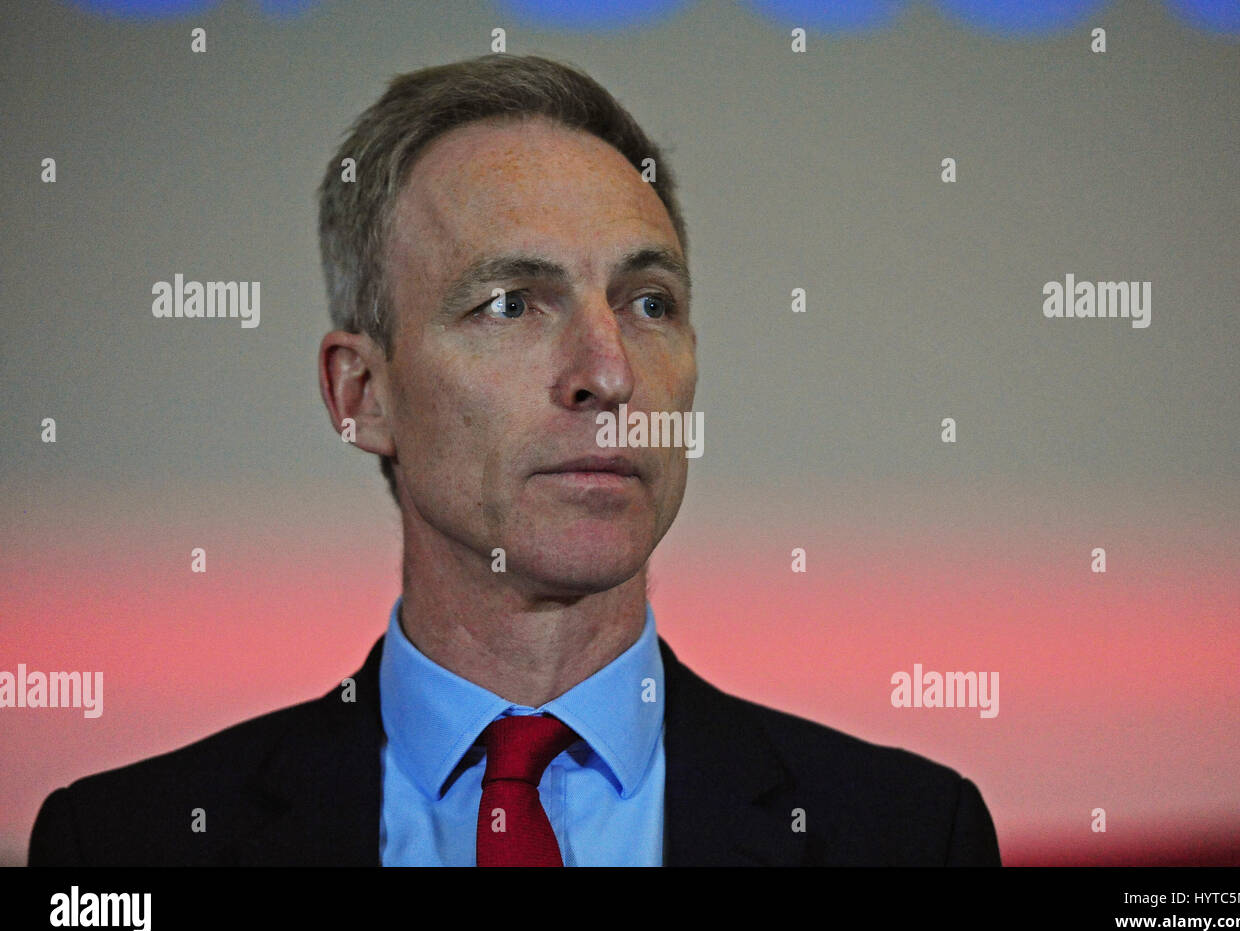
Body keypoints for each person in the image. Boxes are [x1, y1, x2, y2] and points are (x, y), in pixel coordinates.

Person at [29, 54, 999, 866]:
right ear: (361, 395)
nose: (608, 372)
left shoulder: (910, 835)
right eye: (511, 303)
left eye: (648, 302)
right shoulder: (124, 847)